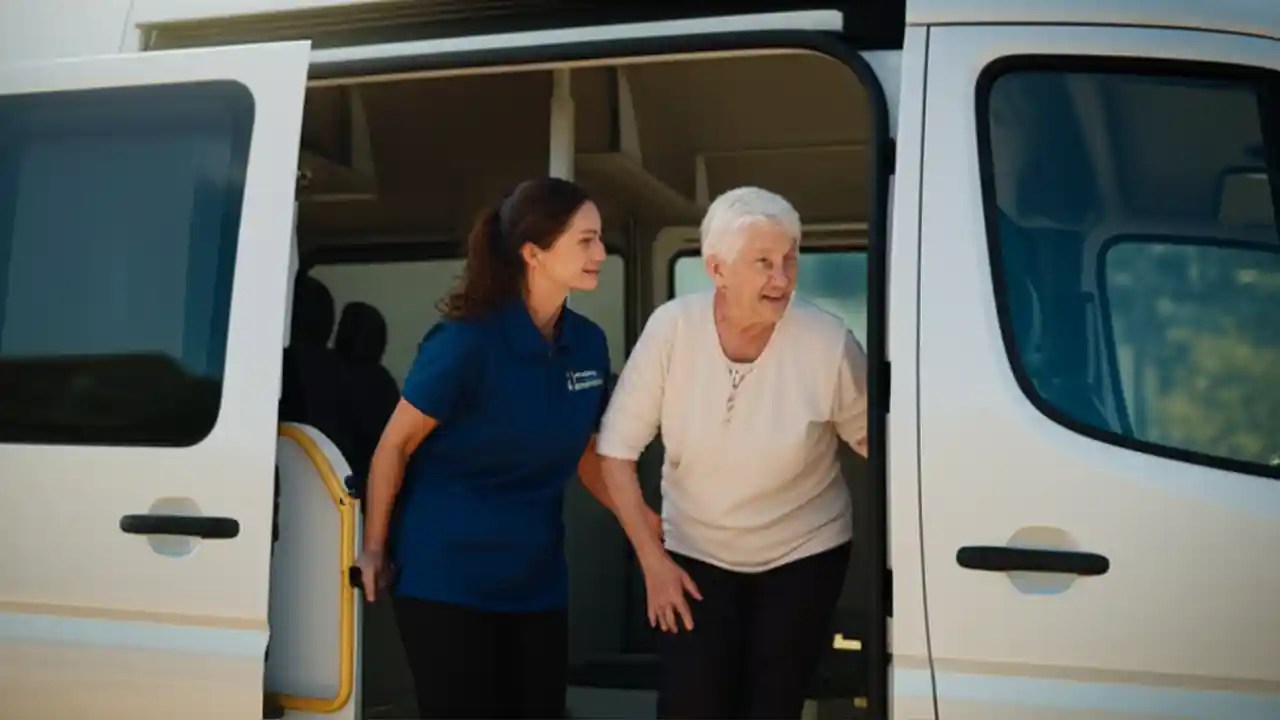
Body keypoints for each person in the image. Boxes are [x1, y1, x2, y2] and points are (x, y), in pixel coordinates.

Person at [352, 177, 661, 720]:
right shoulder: (466, 343)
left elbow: (588, 455)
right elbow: (394, 447)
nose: (601, 253)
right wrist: (374, 546)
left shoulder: (587, 343)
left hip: (535, 580)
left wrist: (643, 525)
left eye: (600, 239)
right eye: (585, 241)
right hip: (447, 578)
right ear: (533, 253)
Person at [597, 186, 869, 719]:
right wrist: (653, 564)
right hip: (694, 551)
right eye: (764, 262)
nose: (782, 278)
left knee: (772, 705)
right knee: (691, 704)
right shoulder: (672, 328)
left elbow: (874, 447)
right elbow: (615, 454)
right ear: (716, 269)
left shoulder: (828, 341)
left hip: (803, 551)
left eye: (790, 260)